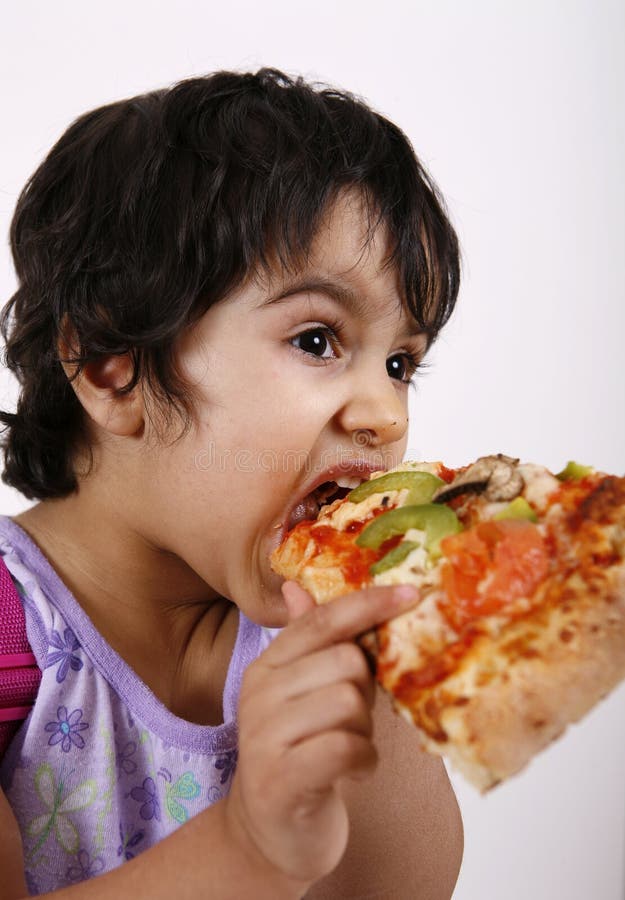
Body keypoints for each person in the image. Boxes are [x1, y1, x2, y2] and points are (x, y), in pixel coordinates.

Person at [0, 69, 463, 898]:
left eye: (400, 364)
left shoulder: (304, 639)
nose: (384, 415)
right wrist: (249, 850)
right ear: (113, 366)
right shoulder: (9, 644)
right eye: (319, 339)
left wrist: (380, 685)